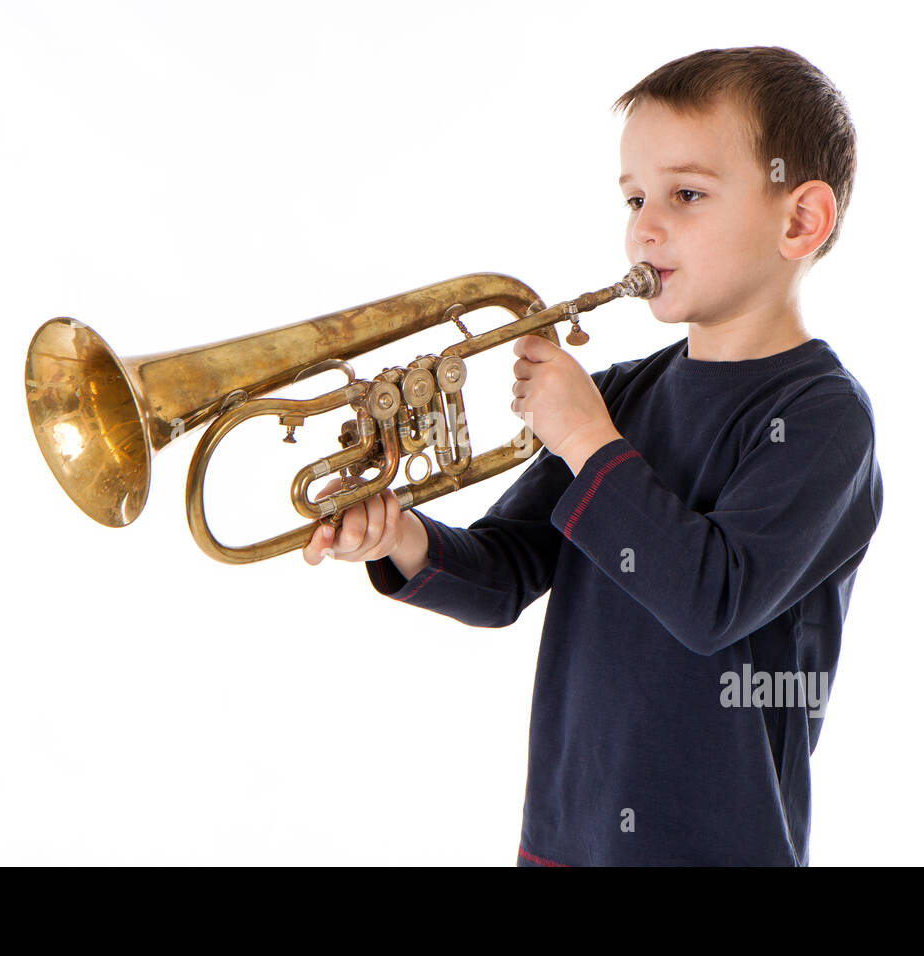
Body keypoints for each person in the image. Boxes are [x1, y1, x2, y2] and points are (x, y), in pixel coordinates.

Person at [303, 46, 883, 867]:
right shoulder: (620, 395)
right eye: (635, 197)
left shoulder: (823, 419)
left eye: (686, 194)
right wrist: (399, 537)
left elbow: (710, 599)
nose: (645, 227)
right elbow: (505, 575)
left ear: (799, 221)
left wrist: (583, 438)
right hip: (563, 840)